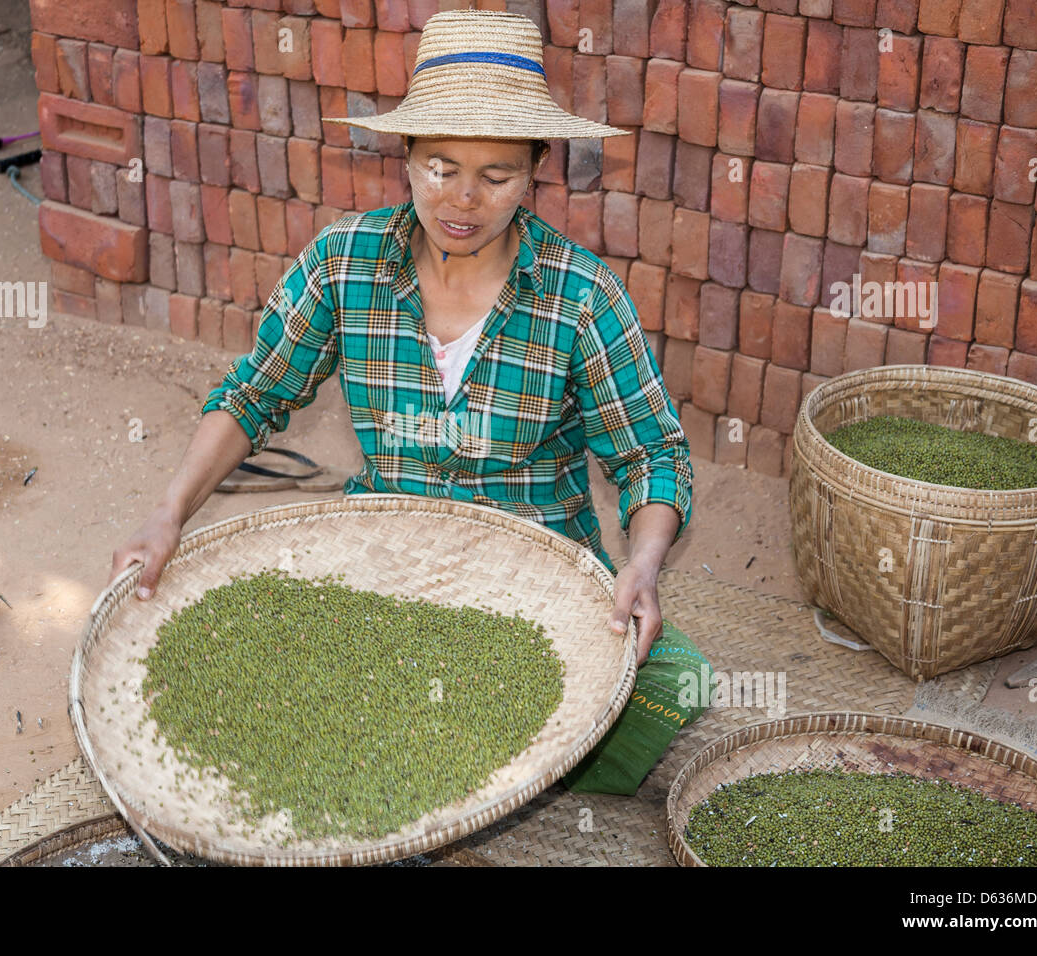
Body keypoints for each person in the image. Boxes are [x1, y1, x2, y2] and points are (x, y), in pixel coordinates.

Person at [109, 8, 692, 660]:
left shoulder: (579, 296)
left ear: (535, 171)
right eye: (440, 168)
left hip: (534, 582)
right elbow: (253, 397)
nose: (463, 199)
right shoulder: (345, 261)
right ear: (406, 154)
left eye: (496, 177)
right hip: (386, 560)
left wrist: (641, 564)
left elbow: (652, 458)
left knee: (656, 695)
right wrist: (167, 514)